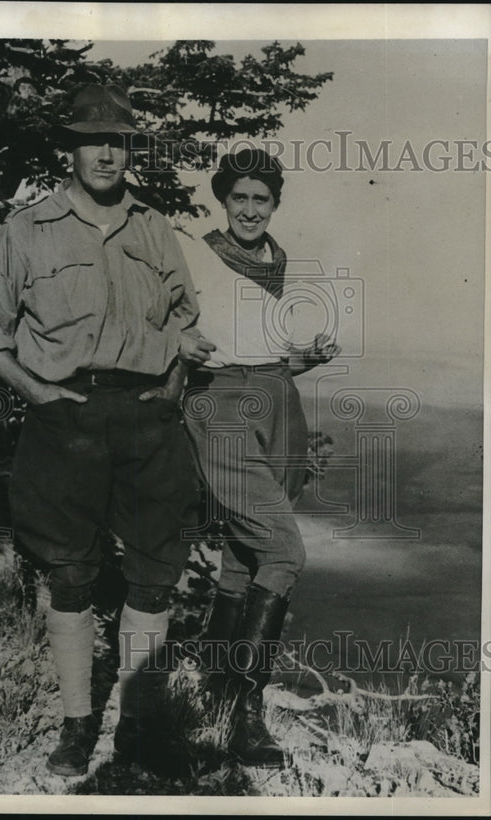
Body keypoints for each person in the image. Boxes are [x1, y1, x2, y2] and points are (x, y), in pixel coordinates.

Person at [0, 84, 216, 777]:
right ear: (66, 151)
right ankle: (78, 727)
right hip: (65, 420)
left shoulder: (154, 226)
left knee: (155, 574)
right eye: (92, 139)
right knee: (70, 575)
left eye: (121, 141)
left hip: (146, 418)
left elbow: (185, 322)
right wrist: (40, 393)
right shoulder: (27, 228)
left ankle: (137, 730)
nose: (108, 152)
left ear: (130, 150)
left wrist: (170, 389)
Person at [179, 148, 340, 767]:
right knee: (284, 549)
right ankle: (247, 714)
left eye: (261, 199)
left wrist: (305, 357)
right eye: (239, 198)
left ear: (275, 203)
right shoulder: (199, 251)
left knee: (244, 556)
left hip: (277, 400)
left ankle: (213, 695)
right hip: (218, 405)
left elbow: (262, 349)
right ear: (224, 199)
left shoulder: (278, 260)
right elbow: (175, 326)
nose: (249, 210)